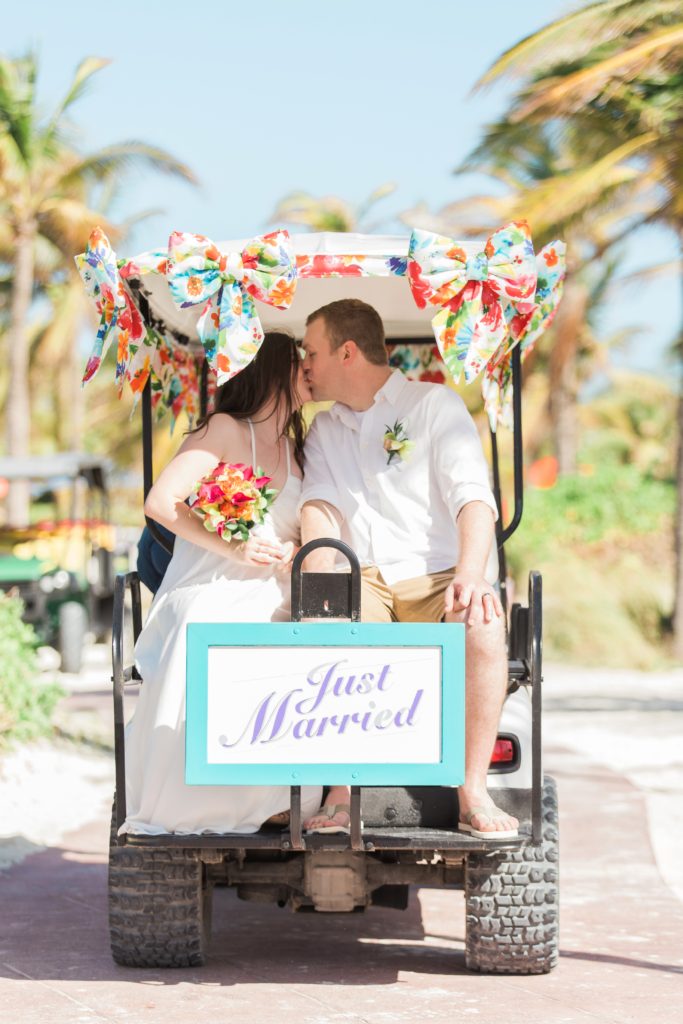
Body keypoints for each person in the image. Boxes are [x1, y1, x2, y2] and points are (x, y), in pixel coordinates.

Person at [299, 299, 518, 840]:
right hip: (365, 577)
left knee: (483, 623)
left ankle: (471, 789)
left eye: (311, 352)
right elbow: (321, 506)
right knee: (326, 625)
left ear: (346, 352)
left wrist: (473, 572)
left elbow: (473, 498)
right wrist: (318, 568)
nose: (305, 364)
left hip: (437, 573)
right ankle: (341, 788)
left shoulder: (433, 405)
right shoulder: (323, 427)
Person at [119, 332, 322, 836]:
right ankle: (203, 800)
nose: (310, 372)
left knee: (312, 631)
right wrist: (235, 547)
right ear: (275, 370)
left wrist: (292, 554)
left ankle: (277, 795)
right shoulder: (225, 429)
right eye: (302, 364)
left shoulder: (299, 449)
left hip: (274, 586)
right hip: (212, 577)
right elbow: (161, 502)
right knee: (212, 618)